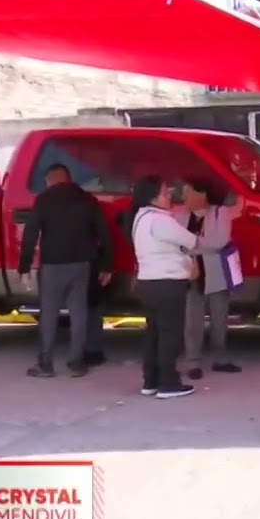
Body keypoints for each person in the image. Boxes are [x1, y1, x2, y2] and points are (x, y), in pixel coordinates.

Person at [18, 164, 113, 378]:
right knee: (79, 312)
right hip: (82, 264)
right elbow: (104, 234)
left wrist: (24, 266)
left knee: (49, 314)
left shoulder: (44, 199)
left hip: (52, 264)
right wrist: (107, 265)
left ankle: (45, 363)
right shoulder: (88, 199)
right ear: (69, 179)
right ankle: (76, 362)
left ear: (50, 180)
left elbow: (31, 233)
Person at [129, 176, 198, 399]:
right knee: (170, 333)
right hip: (167, 282)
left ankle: (151, 381)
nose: (170, 196)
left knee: (154, 332)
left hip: (148, 282)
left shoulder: (140, 218)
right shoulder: (160, 220)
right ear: (153, 197)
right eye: (166, 192)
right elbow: (191, 240)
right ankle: (169, 383)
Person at [174, 178, 240, 379]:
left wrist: (192, 243)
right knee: (192, 321)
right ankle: (193, 361)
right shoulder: (179, 216)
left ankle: (220, 358)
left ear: (201, 195)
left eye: (188, 192)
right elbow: (178, 244)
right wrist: (199, 245)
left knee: (219, 319)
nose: (184, 197)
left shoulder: (221, 213)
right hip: (191, 274)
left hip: (216, 275)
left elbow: (220, 241)